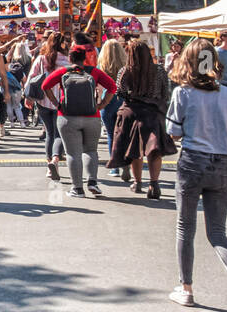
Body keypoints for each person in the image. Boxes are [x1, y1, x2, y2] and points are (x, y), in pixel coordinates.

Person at [165, 38, 227, 312]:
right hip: (223, 164)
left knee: (185, 227)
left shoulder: (182, 93)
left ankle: (186, 288)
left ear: (188, 62)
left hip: (192, 162)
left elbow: (174, 133)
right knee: (217, 232)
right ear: (213, 61)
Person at [41, 43, 117, 197]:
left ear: (70, 58)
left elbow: (45, 86)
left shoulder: (63, 72)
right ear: (86, 58)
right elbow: (112, 87)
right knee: (91, 150)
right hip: (92, 117)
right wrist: (101, 104)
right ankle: (93, 182)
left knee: (73, 154)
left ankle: (77, 188)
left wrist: (57, 103)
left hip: (67, 117)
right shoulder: (94, 72)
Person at [108, 38, 174, 198]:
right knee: (154, 150)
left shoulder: (125, 71)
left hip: (132, 112)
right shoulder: (159, 71)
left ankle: (137, 183)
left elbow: (120, 93)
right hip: (153, 113)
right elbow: (167, 92)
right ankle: (154, 184)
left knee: (134, 150)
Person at [97, 39, 129, 175]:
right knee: (125, 134)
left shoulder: (101, 67)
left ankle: (114, 166)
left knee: (111, 134)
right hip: (124, 101)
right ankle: (126, 162)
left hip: (107, 101)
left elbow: (98, 87)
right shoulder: (127, 67)